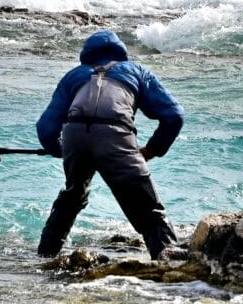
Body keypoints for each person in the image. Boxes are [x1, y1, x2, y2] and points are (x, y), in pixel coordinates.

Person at [36, 29, 183, 260]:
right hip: (115, 133)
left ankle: (44, 256)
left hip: (74, 133)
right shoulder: (137, 71)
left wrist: (62, 150)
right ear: (121, 53)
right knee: (147, 207)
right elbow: (174, 116)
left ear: (86, 54)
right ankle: (170, 263)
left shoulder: (74, 76)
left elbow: (45, 128)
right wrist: (152, 150)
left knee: (73, 195)